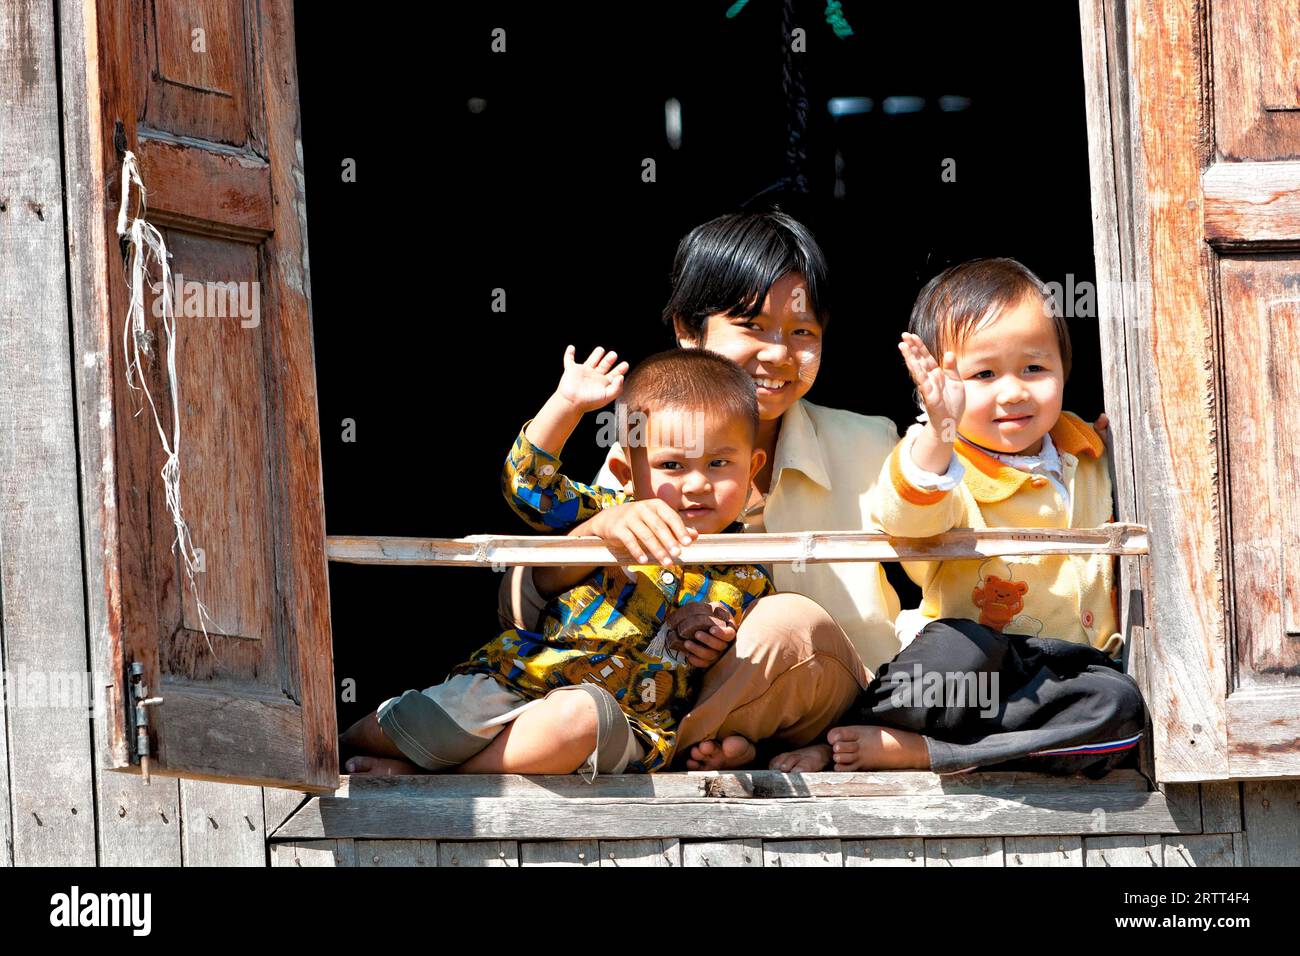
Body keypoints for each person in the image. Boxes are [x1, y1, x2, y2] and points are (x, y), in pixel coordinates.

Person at [497, 210, 903, 771]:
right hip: (679, 700)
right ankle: (719, 747)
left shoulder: (873, 443)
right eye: (753, 327)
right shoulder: (639, 452)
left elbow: (939, 584)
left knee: (785, 626)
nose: (779, 354)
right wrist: (597, 533)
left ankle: (658, 749)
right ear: (689, 331)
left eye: (802, 332)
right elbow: (526, 602)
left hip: (842, 709)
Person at [771, 257, 1148, 777]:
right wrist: (939, 432)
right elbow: (907, 515)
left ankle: (926, 754)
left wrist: (1118, 441)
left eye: (1034, 368)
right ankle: (846, 735)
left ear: (1064, 368)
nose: (1013, 391)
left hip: (1061, 672)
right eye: (983, 374)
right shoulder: (945, 464)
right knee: (951, 653)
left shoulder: (1090, 456)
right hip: (973, 664)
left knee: (1120, 707)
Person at [339, 348, 774, 776]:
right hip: (522, 676)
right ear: (625, 472)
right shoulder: (609, 511)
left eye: (719, 463)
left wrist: (715, 649)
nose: (697, 484)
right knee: (430, 725)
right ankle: (330, 747)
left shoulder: (751, 573)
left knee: (574, 724)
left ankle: (427, 780)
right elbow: (528, 486)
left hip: (623, 724)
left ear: (752, 468)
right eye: (672, 465)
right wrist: (567, 406)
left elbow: (750, 679)